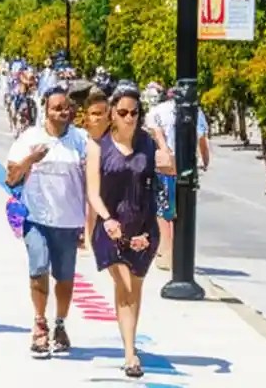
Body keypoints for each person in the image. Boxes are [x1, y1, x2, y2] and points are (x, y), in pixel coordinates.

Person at [86, 83, 174, 379]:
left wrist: (166, 154)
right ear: (112, 112)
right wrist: (107, 220)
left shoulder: (148, 145)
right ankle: (129, 354)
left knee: (134, 290)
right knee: (123, 284)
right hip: (111, 228)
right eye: (122, 112)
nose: (128, 118)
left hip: (143, 229)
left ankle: (130, 342)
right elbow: (93, 193)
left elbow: (170, 171)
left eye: (134, 113)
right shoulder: (99, 146)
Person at [6, 86, 87, 357]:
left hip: (69, 220)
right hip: (36, 217)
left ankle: (60, 324)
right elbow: (11, 177)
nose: (63, 112)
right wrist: (32, 158)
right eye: (56, 108)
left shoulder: (81, 139)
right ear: (46, 109)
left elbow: (93, 180)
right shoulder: (31, 137)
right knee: (38, 266)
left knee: (64, 277)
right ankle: (40, 324)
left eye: (66, 107)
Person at [143, 89, 210, 270]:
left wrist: (164, 149)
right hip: (187, 166)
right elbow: (202, 138)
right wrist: (205, 159)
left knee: (164, 210)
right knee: (183, 211)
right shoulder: (196, 112)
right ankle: (177, 253)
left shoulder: (158, 110)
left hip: (165, 167)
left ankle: (166, 251)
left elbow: (155, 132)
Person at [79, 89, 110, 250]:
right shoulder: (80, 138)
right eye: (94, 113)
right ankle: (87, 240)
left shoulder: (113, 139)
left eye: (101, 113)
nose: (98, 117)